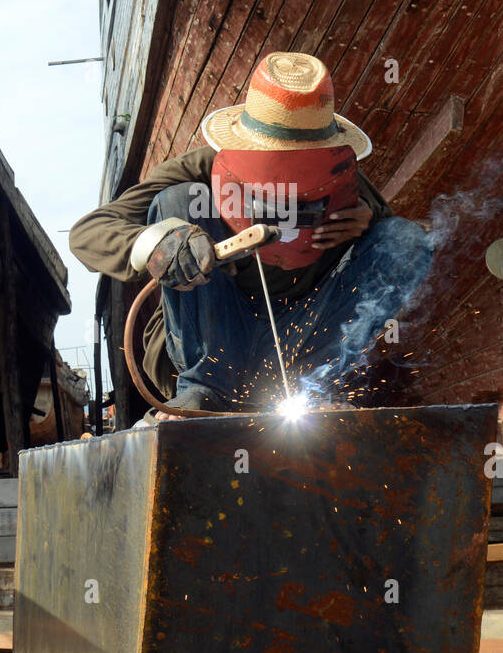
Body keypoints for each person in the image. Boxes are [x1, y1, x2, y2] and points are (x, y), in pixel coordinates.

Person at [69, 51, 433, 416]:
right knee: (179, 201)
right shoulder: (201, 169)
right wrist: (156, 245)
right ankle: (203, 388)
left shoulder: (338, 179)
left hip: (298, 344)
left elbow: (395, 252)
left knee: (404, 242)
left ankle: (316, 385)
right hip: (213, 334)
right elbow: (87, 234)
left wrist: (367, 224)